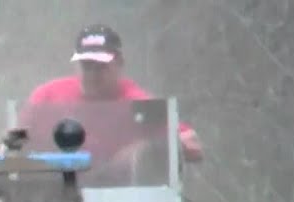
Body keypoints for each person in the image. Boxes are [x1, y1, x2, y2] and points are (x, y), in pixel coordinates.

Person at [15, 24, 204, 167]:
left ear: (119, 63)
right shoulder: (48, 96)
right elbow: (16, 138)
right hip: (54, 196)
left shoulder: (136, 102)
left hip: (121, 201)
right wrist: (11, 148)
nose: (92, 74)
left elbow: (192, 144)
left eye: (100, 66)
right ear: (76, 65)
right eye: (87, 66)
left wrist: (147, 149)